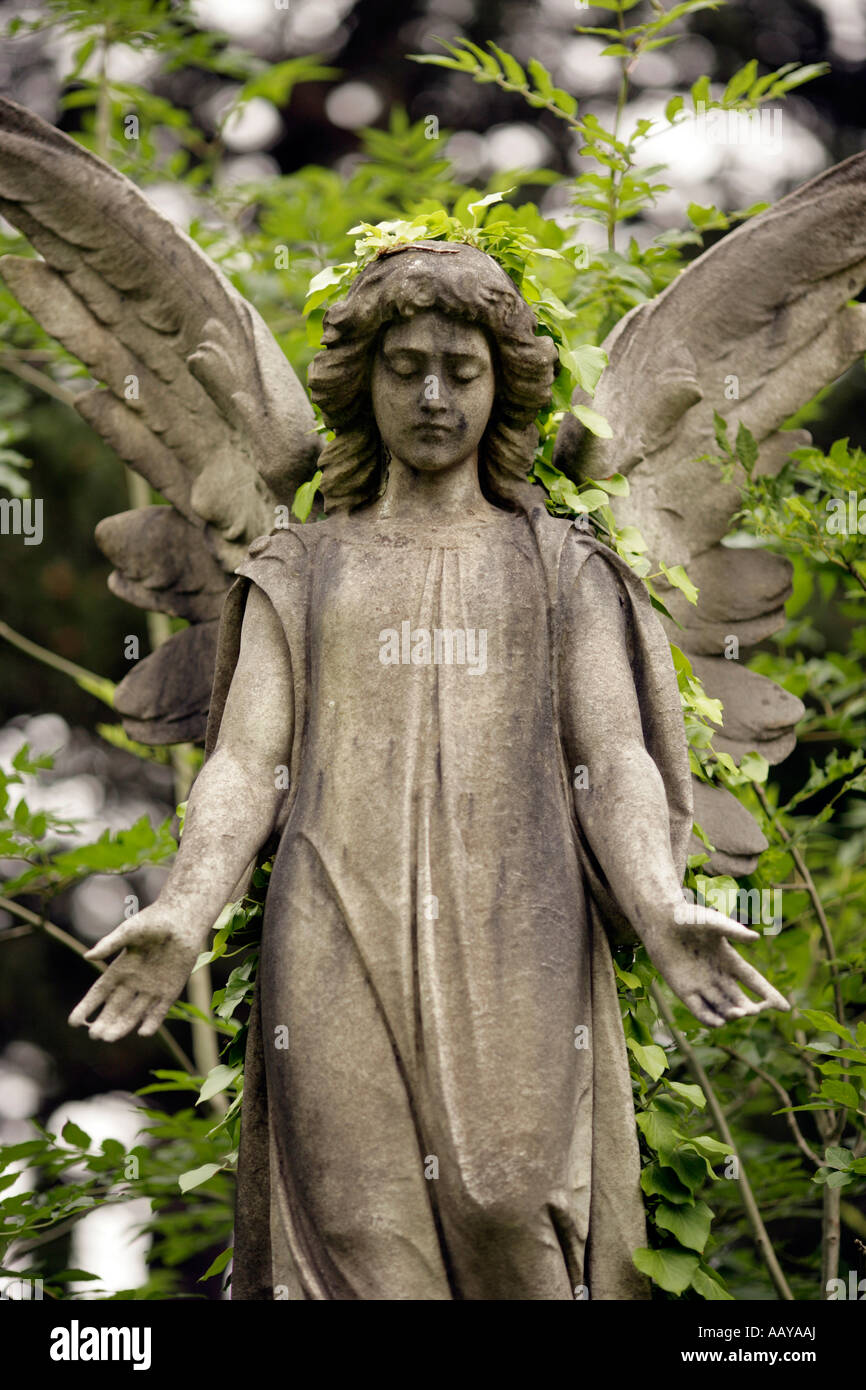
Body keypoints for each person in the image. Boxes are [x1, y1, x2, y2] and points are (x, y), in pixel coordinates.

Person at [70, 243, 787, 1300]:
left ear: (504, 388)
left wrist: (653, 896)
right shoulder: (303, 565)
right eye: (405, 367)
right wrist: (184, 911)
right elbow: (244, 760)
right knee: (361, 1239)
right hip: (334, 928)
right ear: (364, 380)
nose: (435, 395)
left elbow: (614, 753)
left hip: (519, 924)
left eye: (463, 369)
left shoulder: (559, 564)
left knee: (514, 1214)